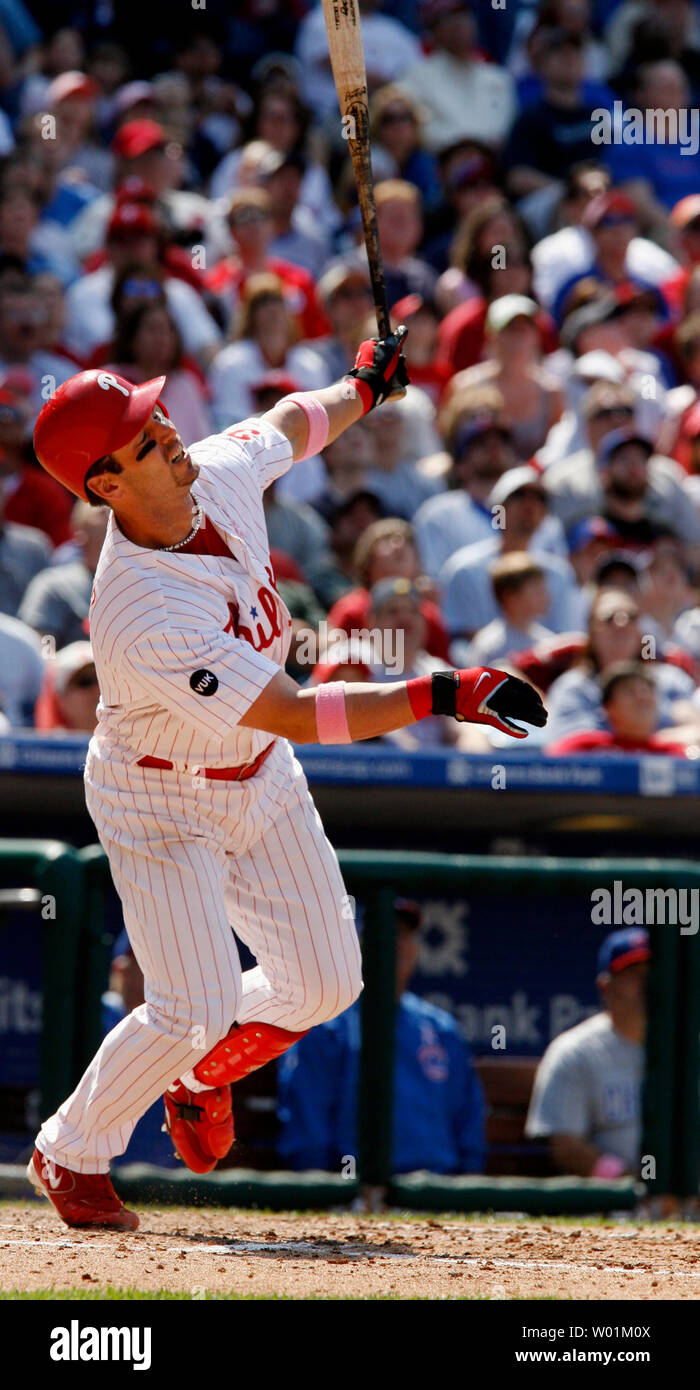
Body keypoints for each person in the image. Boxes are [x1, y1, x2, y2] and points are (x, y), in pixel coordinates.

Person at [27, 338, 547, 1229]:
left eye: (155, 414)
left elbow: (287, 426)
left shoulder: (207, 471)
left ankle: (200, 1072)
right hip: (159, 796)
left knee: (327, 984)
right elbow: (300, 713)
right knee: (192, 1003)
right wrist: (443, 691)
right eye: (142, 437)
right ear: (104, 484)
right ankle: (70, 1151)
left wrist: (361, 387)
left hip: (256, 774)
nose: (164, 429)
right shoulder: (142, 611)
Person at [277, 899, 485, 1174]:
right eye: (384, 932)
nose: (396, 944)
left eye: (404, 935)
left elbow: (468, 1124)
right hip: (352, 1195)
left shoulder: (441, 1029)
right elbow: (307, 1134)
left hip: (436, 1195)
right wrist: (329, 1196)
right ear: (356, 946)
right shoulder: (326, 1026)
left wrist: (464, 1193)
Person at [525, 928, 650, 1178]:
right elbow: (565, 1147)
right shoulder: (576, 1051)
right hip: (612, 1204)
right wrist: (632, 1187)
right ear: (606, 986)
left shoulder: (688, 1051)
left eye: (654, 975)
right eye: (634, 976)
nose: (646, 986)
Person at [441, 465, 583, 659]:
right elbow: (460, 640)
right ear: (498, 508)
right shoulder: (464, 568)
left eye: (539, 499)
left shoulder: (559, 572)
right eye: (519, 496)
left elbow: (567, 636)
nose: (529, 505)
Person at [446, 294, 564, 458]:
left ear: (536, 336)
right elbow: (451, 444)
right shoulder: (465, 385)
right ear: (491, 336)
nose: (518, 337)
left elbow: (555, 450)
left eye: (525, 328)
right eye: (510, 328)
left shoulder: (551, 391)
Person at [207, 273, 329, 430]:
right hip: (247, 448)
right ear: (250, 315)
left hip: (305, 449)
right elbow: (227, 425)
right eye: (262, 302)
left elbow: (322, 424)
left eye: (278, 301)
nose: (272, 309)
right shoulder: (229, 364)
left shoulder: (311, 365)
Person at [402, 0, 515, 153]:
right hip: (441, 164)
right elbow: (418, 132)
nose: (458, 25)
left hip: (493, 164)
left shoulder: (497, 77)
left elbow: (506, 129)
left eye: (463, 16)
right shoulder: (415, 76)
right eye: (447, 19)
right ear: (433, 31)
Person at [546, 661, 692, 757]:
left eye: (647, 690)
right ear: (608, 708)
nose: (642, 698)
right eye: (629, 691)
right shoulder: (584, 747)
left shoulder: (675, 753)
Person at [18, 503, 108, 649]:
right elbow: (41, 646)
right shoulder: (54, 585)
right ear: (81, 534)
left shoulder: (146, 582)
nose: (112, 514)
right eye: (102, 512)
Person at [466, 553, 554, 667]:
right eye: (537, 591)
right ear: (511, 598)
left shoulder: (548, 641)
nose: (545, 596)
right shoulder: (489, 646)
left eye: (543, 590)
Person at [33, 640, 101, 733]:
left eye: (102, 681)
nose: (98, 690)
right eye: (85, 682)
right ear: (61, 699)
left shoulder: (127, 742)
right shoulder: (49, 745)